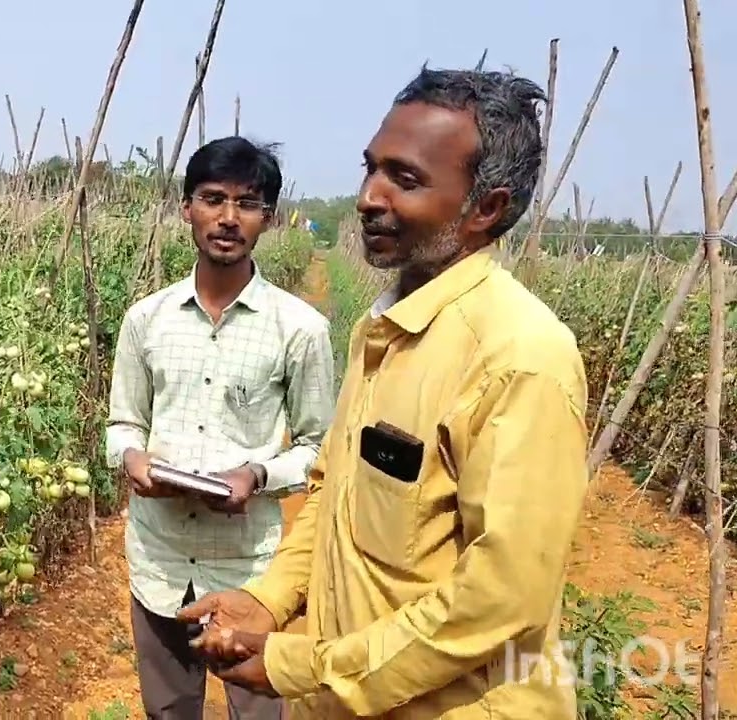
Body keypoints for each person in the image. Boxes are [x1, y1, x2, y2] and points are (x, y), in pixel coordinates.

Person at [179, 67, 590, 719]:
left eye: (405, 178)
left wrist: (300, 664)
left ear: (486, 208)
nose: (369, 196)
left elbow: (502, 599)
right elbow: (332, 492)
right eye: (372, 169)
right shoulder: (383, 329)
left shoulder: (519, 356)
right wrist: (272, 600)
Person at [105, 135, 335, 719]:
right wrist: (132, 460)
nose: (228, 218)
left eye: (247, 203)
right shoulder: (146, 320)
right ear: (187, 207)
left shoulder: (300, 330)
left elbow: (317, 448)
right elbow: (124, 422)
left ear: (268, 217)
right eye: (212, 198)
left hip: (247, 571)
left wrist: (256, 474)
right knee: (168, 710)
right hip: (159, 560)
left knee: (258, 712)